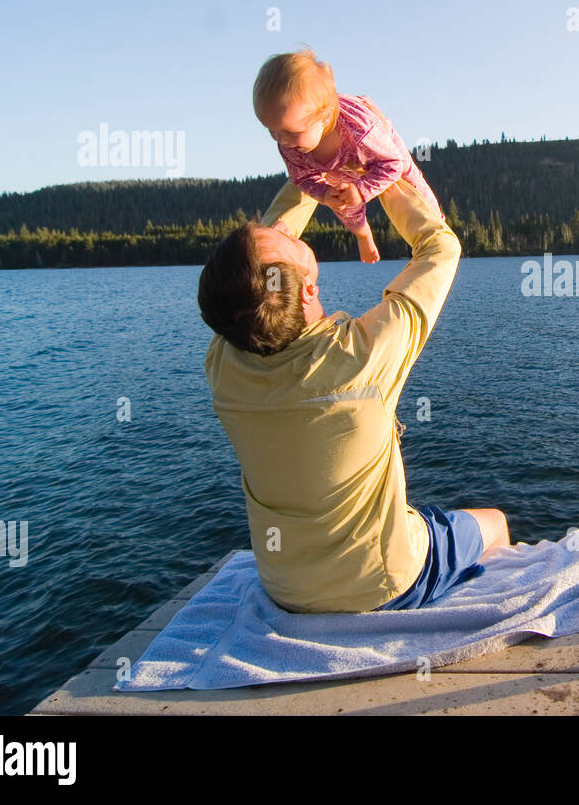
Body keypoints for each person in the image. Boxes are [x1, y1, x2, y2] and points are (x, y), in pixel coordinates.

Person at [196, 134, 509, 613]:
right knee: (492, 522)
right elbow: (439, 248)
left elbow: (260, 272)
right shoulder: (363, 356)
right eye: (285, 242)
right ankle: (497, 605)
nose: (284, 231)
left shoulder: (224, 362)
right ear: (305, 293)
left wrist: (314, 168)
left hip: (284, 588)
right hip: (384, 584)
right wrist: (384, 171)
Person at [252, 47, 443, 264]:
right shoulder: (289, 143)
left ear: (324, 118)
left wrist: (362, 190)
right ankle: (363, 235)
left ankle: (438, 226)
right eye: (271, 130)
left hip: (376, 147)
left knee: (410, 177)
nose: (280, 139)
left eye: (290, 132)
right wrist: (323, 193)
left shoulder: (363, 132)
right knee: (341, 201)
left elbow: (393, 164)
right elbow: (301, 178)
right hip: (336, 163)